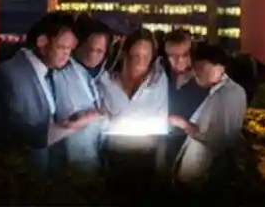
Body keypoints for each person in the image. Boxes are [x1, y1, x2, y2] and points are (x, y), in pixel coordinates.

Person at [0, 11, 102, 194]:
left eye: (70, 49)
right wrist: (72, 126)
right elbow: (17, 137)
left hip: (47, 183)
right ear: (42, 42)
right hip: (20, 186)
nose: (66, 55)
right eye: (62, 47)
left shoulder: (49, 72)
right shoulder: (10, 75)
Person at [98, 28, 170, 194]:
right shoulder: (108, 81)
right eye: (136, 55)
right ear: (126, 54)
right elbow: (102, 119)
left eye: (145, 57)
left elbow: (158, 122)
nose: (140, 62)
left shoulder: (158, 82)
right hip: (113, 155)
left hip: (146, 158)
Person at [170, 42, 249, 189]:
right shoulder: (215, 91)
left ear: (219, 67)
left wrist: (185, 125)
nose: (196, 73)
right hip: (195, 179)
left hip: (207, 181)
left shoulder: (231, 93)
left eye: (201, 68)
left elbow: (223, 139)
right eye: (196, 68)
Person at [56, 14, 111, 173]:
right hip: (68, 163)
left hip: (93, 161)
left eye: (99, 51)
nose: (92, 55)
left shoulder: (103, 77)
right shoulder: (61, 72)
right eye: (89, 48)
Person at [161, 29, 208, 167]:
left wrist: (184, 124)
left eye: (184, 55)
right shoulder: (161, 77)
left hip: (194, 149)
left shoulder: (205, 81)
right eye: (173, 56)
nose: (179, 60)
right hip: (164, 145)